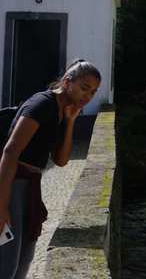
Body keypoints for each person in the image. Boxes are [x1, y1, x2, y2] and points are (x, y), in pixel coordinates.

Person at [0, 59, 101, 279]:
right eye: (84, 88)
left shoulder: (62, 111)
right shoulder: (42, 104)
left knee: (24, 261)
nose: (88, 96)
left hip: (30, 187)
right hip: (12, 183)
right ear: (67, 82)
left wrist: (71, 121)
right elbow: (10, 151)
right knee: (6, 263)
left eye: (93, 92)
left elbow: (62, 160)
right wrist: (2, 206)